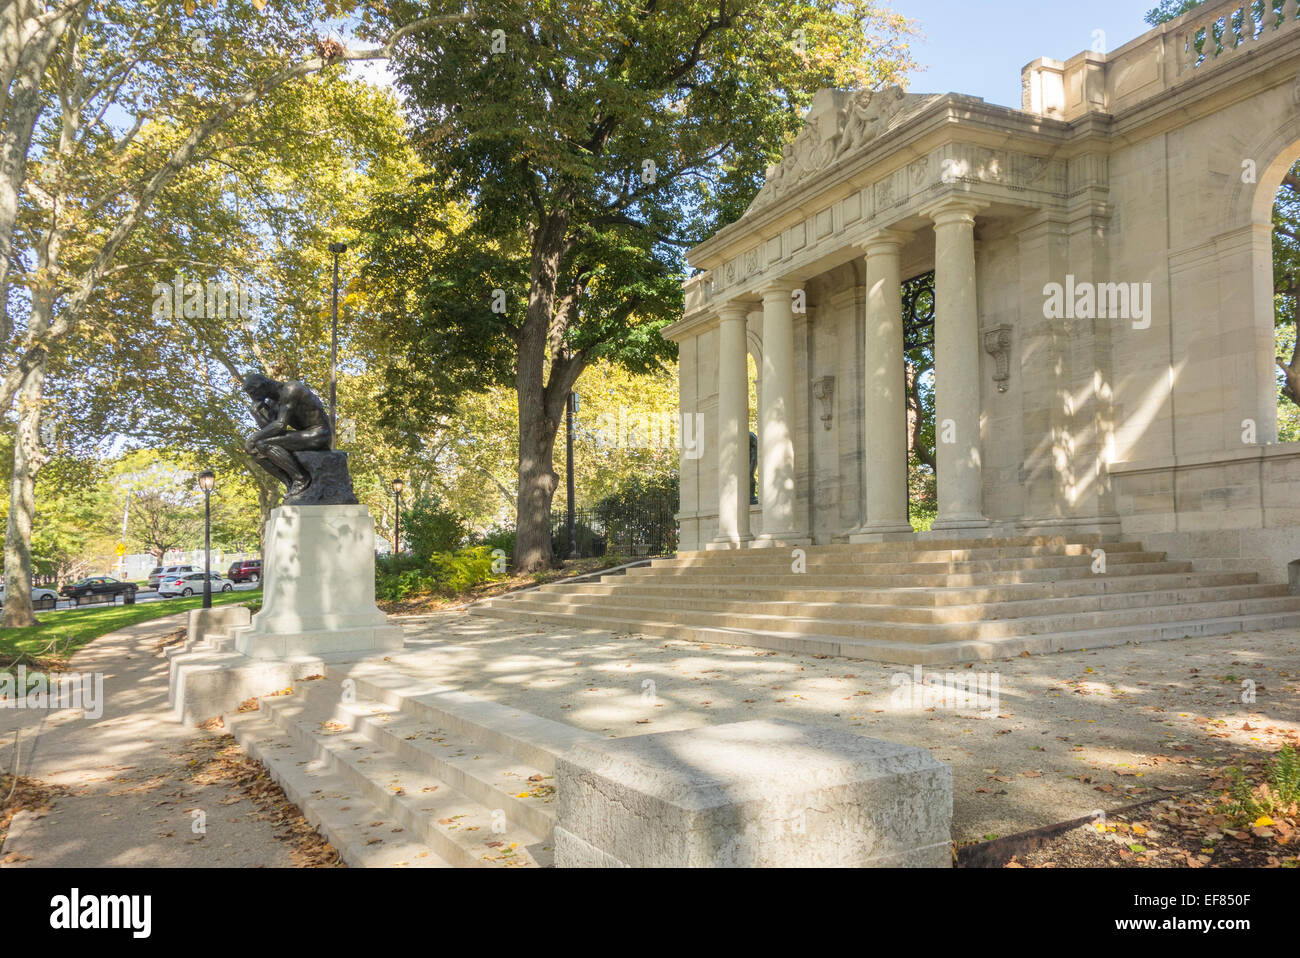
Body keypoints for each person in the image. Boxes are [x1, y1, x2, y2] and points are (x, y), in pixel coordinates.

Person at [241, 372, 332, 499]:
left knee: (262, 443)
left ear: (263, 385)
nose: (253, 398)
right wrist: (256, 413)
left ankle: (301, 479)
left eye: (253, 392)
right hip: (304, 434)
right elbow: (269, 429)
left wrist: (253, 438)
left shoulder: (291, 389)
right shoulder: (273, 402)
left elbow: (280, 425)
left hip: (319, 433)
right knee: (253, 448)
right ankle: (289, 482)